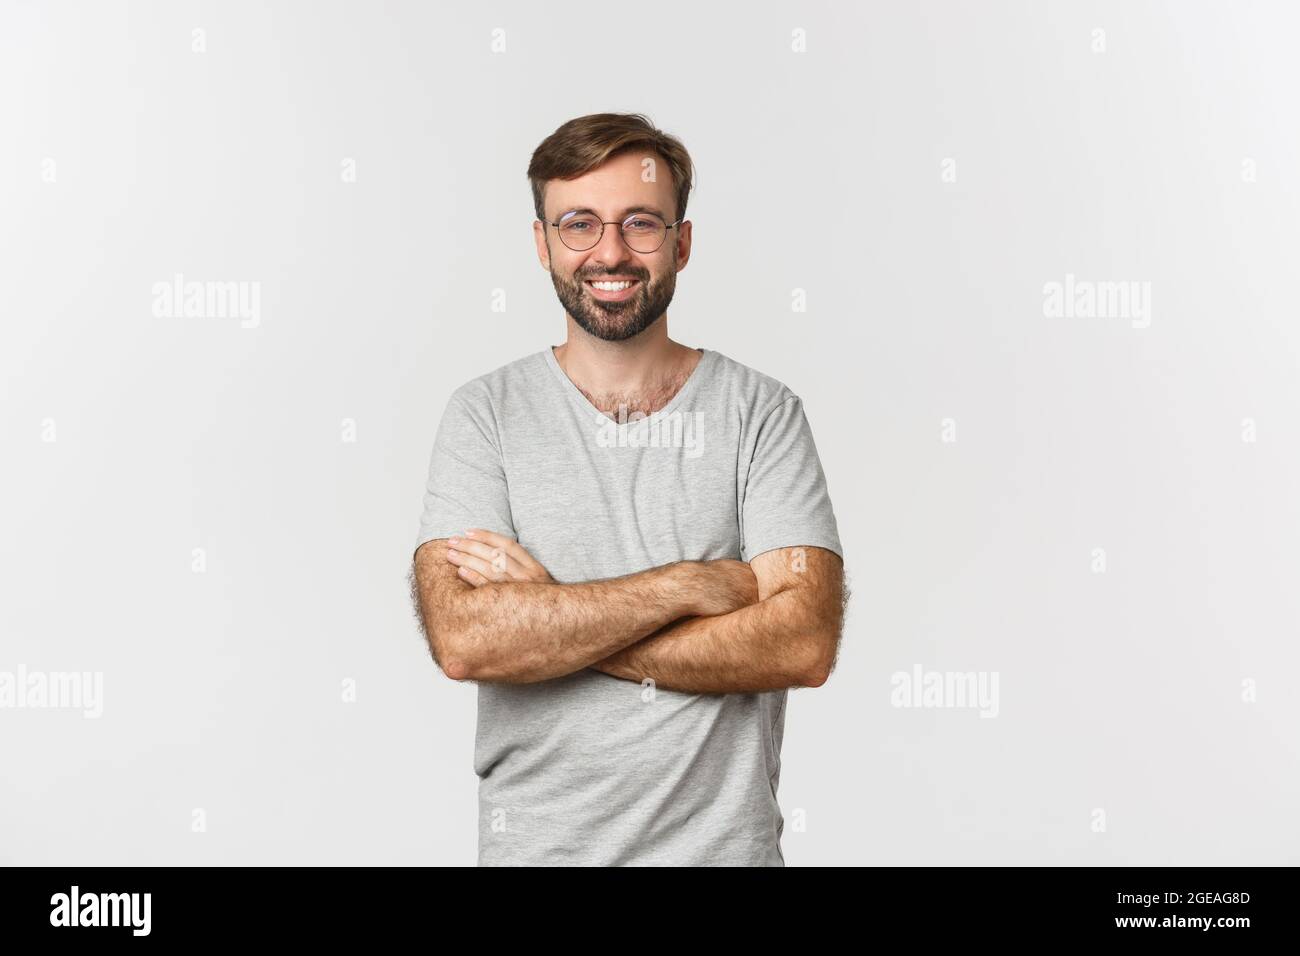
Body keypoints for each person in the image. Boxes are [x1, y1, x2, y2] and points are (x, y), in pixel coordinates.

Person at [410, 112, 847, 866]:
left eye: (640, 223)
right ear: (542, 243)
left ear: (681, 242)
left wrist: (551, 613)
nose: (609, 252)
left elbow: (802, 641)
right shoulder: (484, 414)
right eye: (579, 224)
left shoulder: (762, 415)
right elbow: (465, 639)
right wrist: (691, 583)